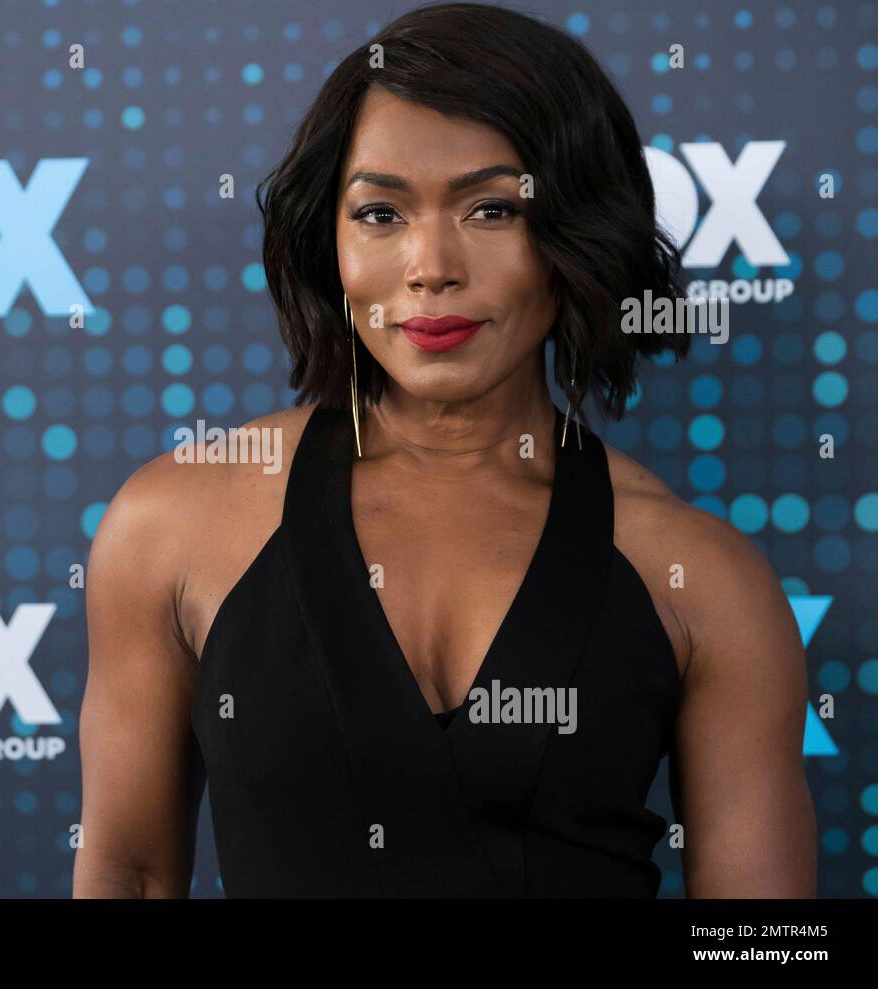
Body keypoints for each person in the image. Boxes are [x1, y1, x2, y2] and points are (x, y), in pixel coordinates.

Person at [73, 2, 816, 897]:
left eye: (492, 208)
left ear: (577, 235)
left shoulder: (706, 579)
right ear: (330, 241)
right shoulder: (169, 523)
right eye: (381, 212)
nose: (431, 264)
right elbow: (132, 870)